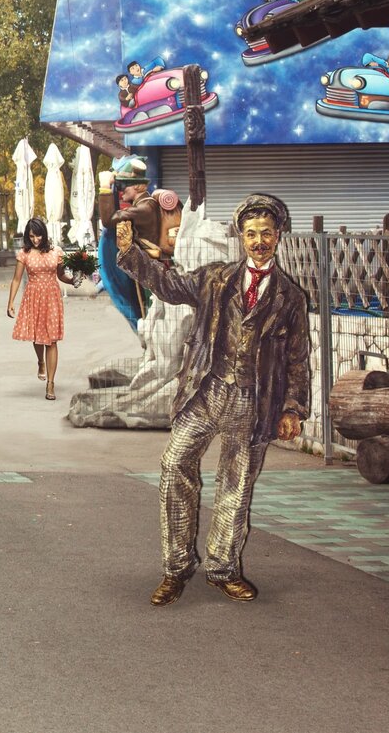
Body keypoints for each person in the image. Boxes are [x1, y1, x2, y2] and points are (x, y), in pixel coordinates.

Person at [116, 193, 310, 605]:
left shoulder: (291, 297)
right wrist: (130, 252)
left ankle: (223, 568)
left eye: (266, 234)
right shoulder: (215, 278)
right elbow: (169, 285)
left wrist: (293, 408)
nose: (259, 241)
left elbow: (298, 358)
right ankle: (177, 567)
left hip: (254, 401)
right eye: (251, 233)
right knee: (174, 463)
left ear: (278, 237)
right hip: (207, 390)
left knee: (236, 485)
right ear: (241, 237)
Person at [7, 217, 66, 400]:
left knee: (52, 340)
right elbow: (17, 279)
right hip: (33, 297)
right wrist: (10, 302)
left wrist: (74, 280)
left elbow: (62, 276)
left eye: (38, 235)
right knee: (37, 338)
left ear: (44, 234)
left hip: (52, 297)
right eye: (32, 236)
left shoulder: (56, 251)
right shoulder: (24, 254)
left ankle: (50, 383)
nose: (36, 239)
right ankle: (40, 361)